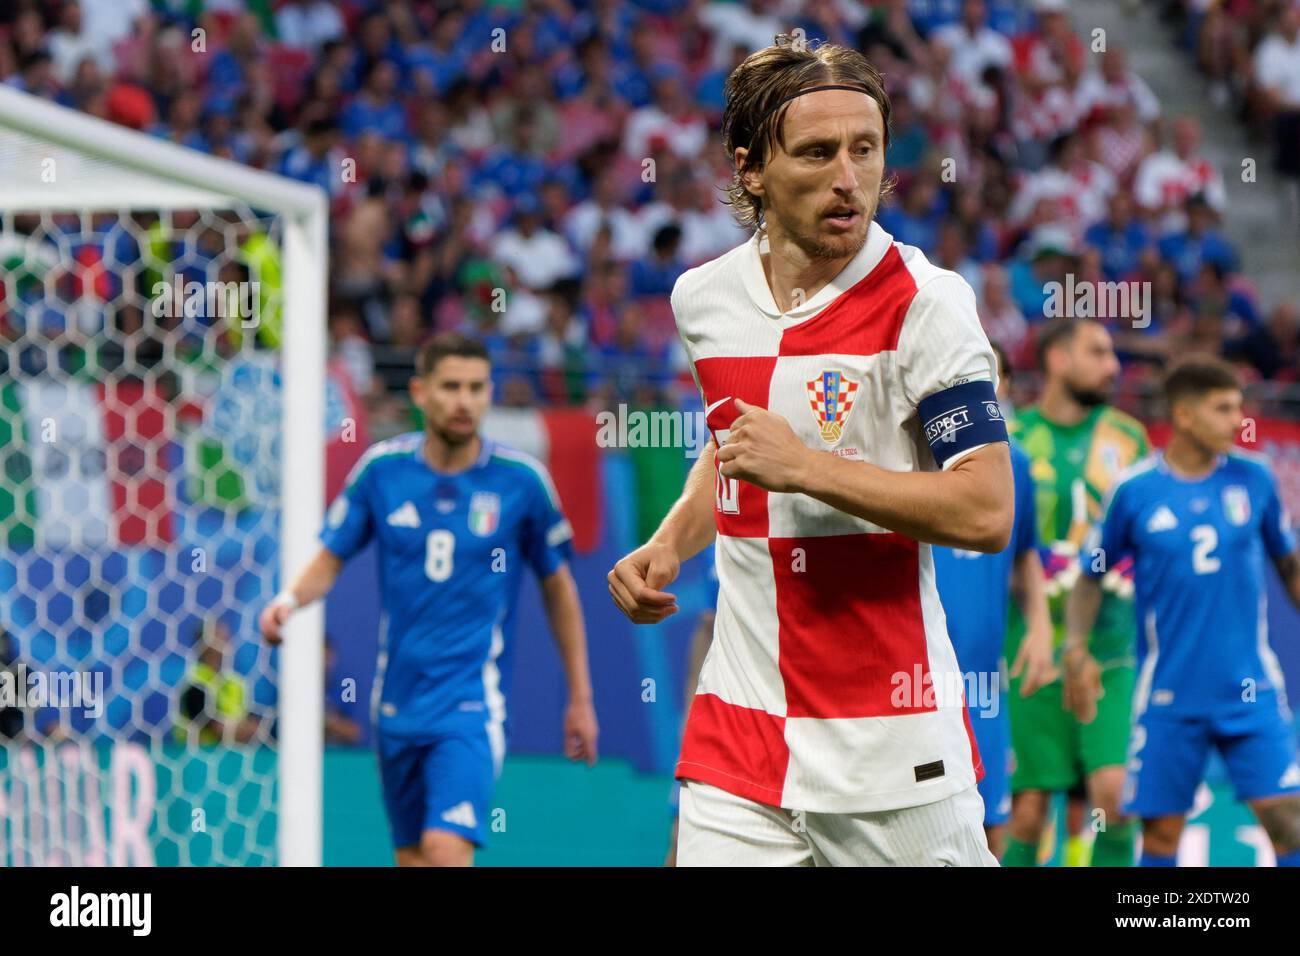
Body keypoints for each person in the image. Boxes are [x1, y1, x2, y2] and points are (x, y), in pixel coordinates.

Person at [609, 37, 1014, 866]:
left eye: (865, 150)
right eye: (819, 152)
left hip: (892, 746)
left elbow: (986, 508)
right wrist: (669, 542)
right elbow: (738, 444)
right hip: (742, 734)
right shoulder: (704, 299)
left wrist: (809, 469)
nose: (848, 178)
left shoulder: (925, 305)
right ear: (751, 168)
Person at [260, 332, 598, 867]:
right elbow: (330, 557)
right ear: (420, 392)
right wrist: (288, 600)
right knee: (415, 858)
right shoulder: (383, 472)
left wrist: (580, 697)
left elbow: (558, 587)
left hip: (470, 706)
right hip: (394, 704)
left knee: (445, 851)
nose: (465, 401)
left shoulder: (521, 483)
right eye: (451, 387)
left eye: (476, 388)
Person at [1067, 358, 1300, 867]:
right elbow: (1091, 574)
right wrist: (1075, 646)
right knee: (1162, 833)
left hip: (1250, 687)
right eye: (1223, 408)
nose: (1239, 420)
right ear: (1184, 415)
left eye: (1239, 407)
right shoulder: (1135, 491)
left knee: (1288, 820)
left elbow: (1290, 567)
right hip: (1170, 693)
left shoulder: (1255, 480)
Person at [1003, 317, 1151, 867]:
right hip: (1028, 648)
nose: (1114, 366)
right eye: (1099, 352)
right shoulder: (1015, 441)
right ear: (1058, 360)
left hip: (1108, 648)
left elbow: (1146, 532)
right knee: (1027, 809)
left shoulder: (1128, 438)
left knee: (1112, 799)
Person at [932, 343, 1054, 859]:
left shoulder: (1015, 464)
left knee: (990, 834)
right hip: (911, 686)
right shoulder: (902, 459)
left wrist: (1041, 627)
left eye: (989, 373)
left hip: (982, 685)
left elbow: (1025, 551)